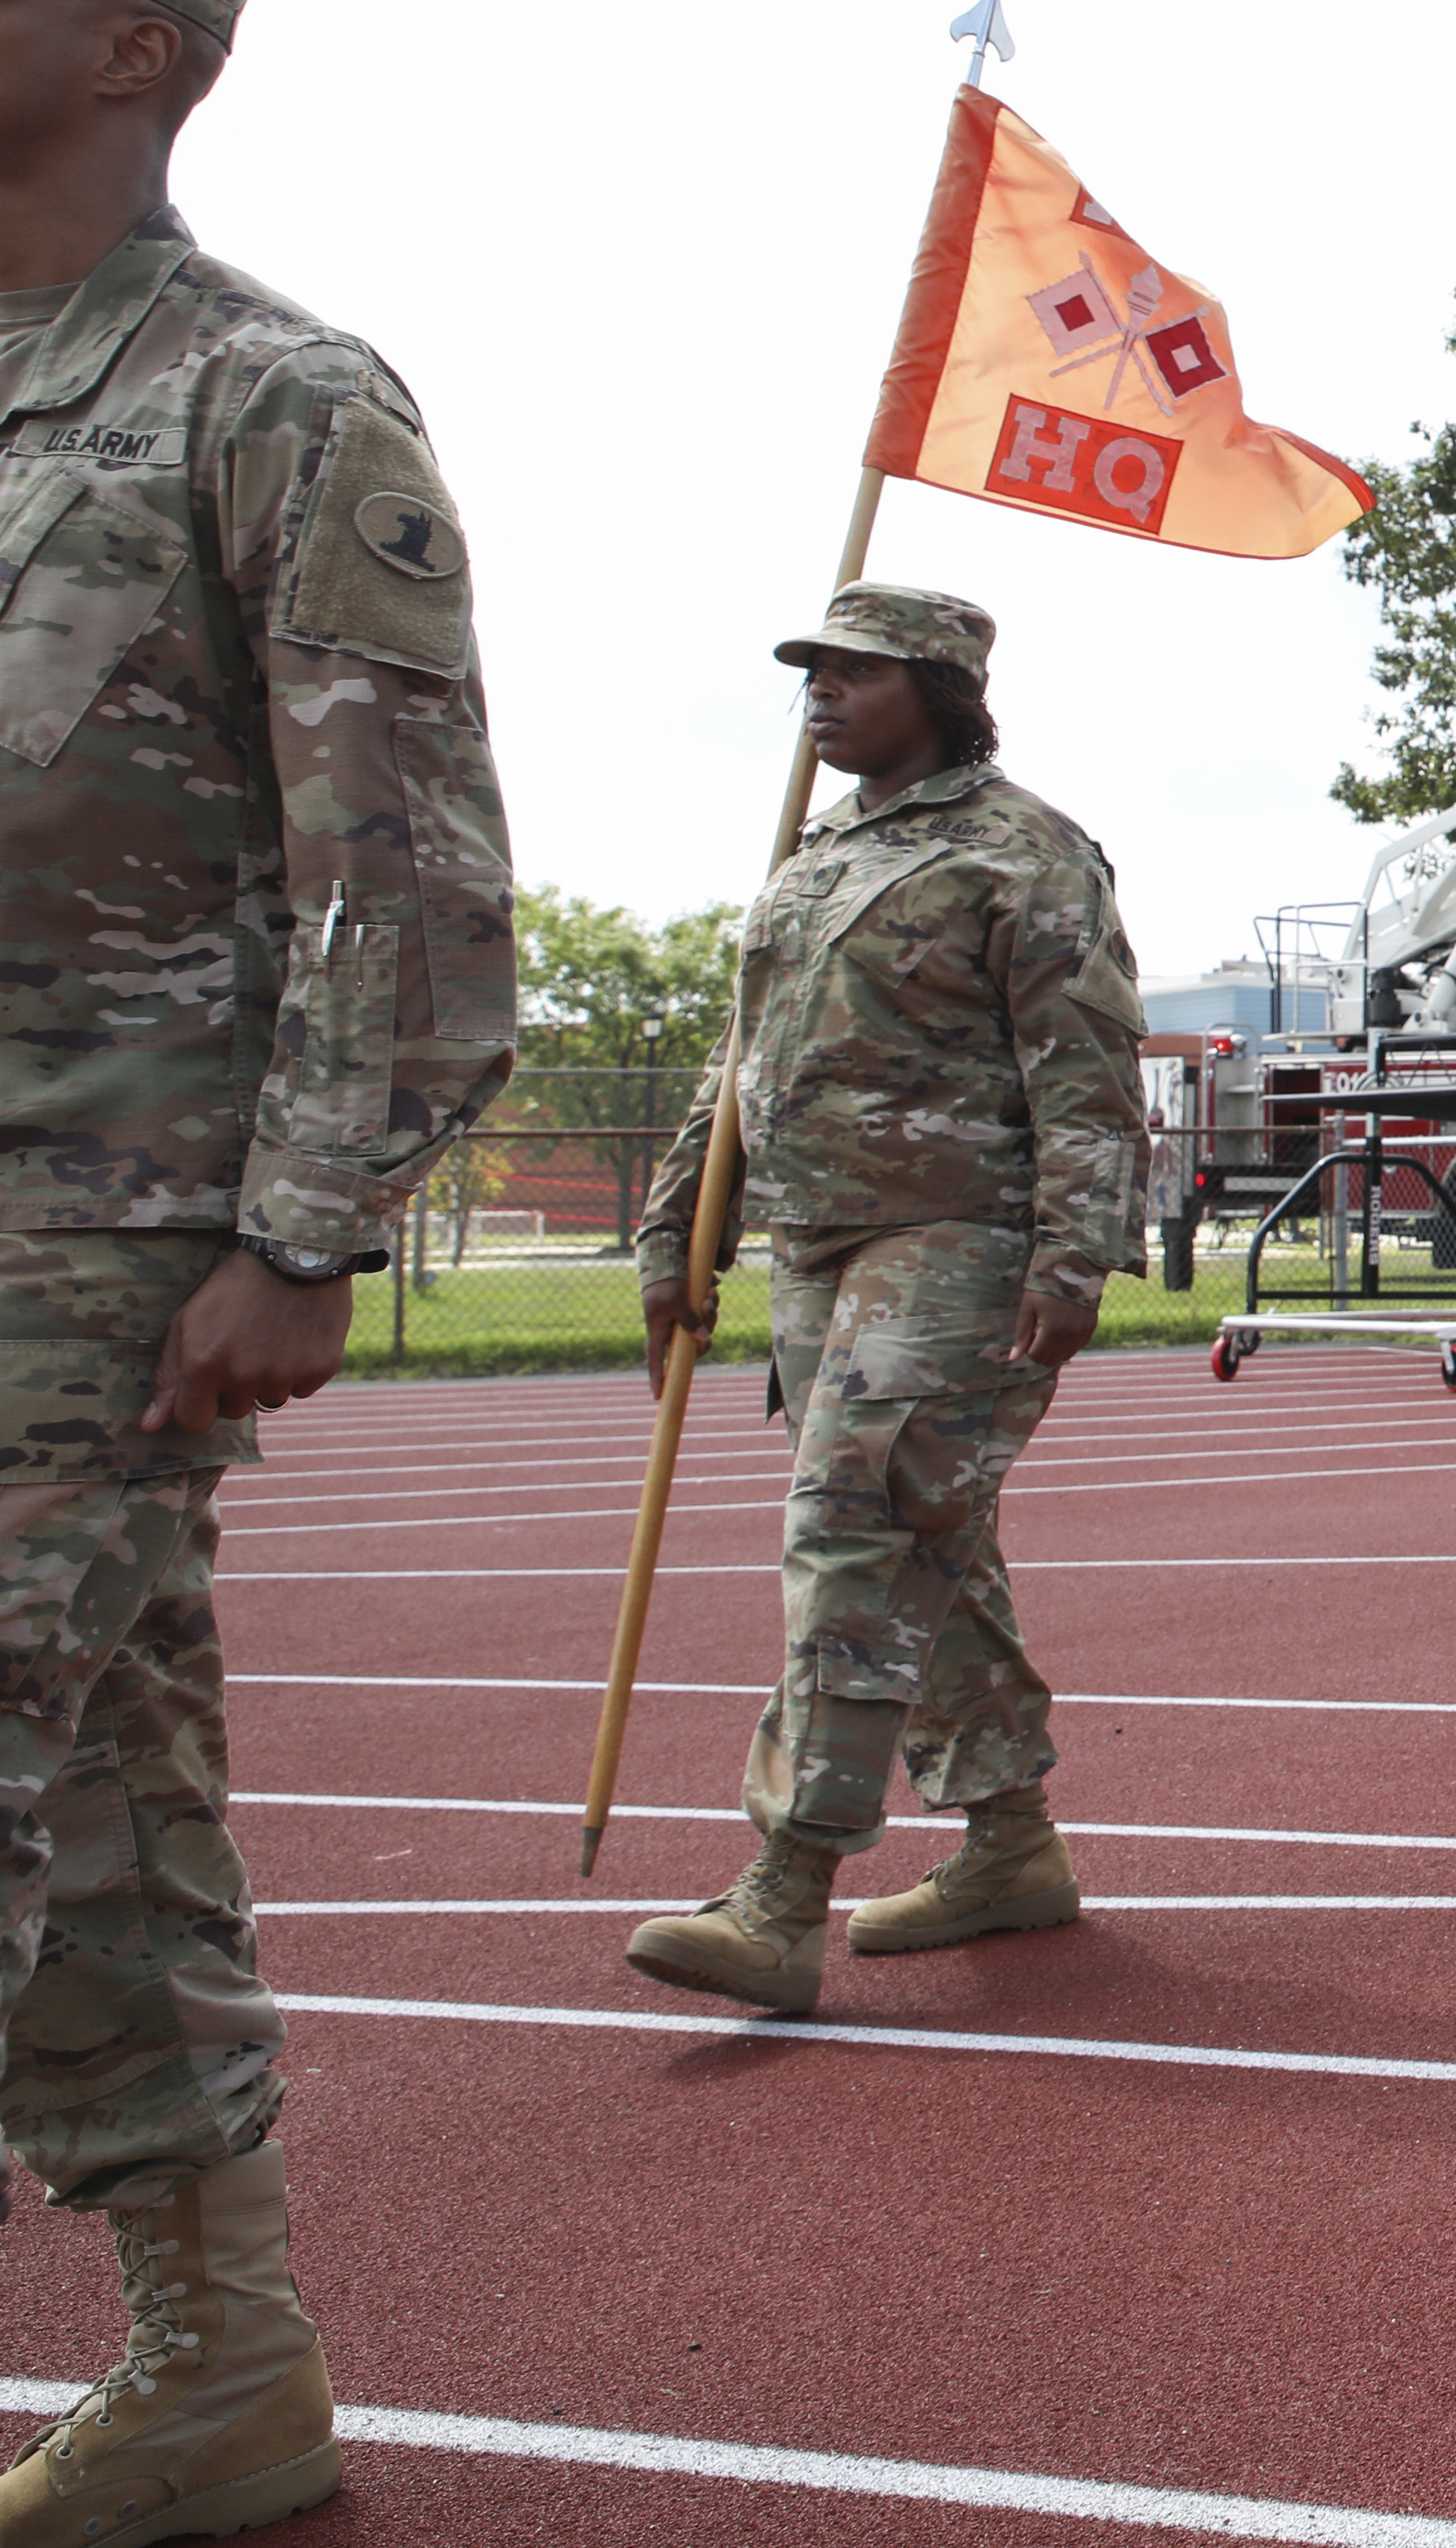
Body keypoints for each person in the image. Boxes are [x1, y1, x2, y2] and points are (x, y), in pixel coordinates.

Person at [0, 0, 517, 2547]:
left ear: (129, 46)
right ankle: (222, 2373)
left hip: (101, 1235)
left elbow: (404, 849)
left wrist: (307, 1224)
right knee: (111, 1809)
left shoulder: (275, 396)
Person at [620, 582, 1144, 2024]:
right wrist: (677, 1232)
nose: (823, 691)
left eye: (858, 671)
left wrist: (1073, 1254)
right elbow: (739, 1072)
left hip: (959, 1240)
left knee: (855, 1533)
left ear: (941, 686)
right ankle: (1010, 1847)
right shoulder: (807, 861)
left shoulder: (1026, 853)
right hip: (813, 1245)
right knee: (932, 1546)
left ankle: (782, 1893)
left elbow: (1087, 1070)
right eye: (815, 670)